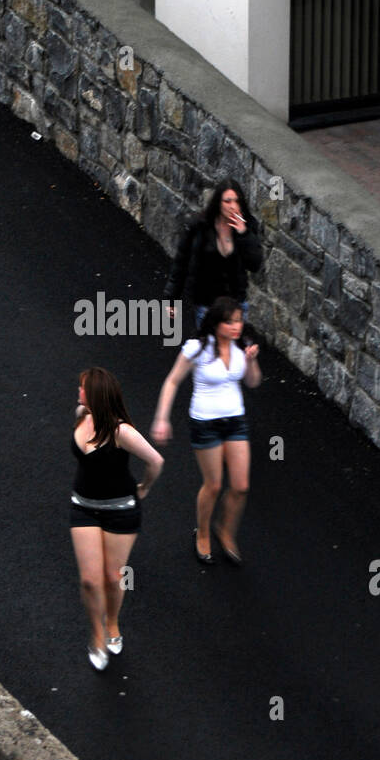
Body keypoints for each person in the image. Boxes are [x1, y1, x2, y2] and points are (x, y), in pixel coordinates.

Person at [152, 297, 261, 565]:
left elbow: (253, 382)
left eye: (239, 320)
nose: (237, 326)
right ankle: (202, 532)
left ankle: (224, 529)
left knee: (241, 486)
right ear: (215, 323)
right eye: (230, 321)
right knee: (213, 485)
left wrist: (252, 362)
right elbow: (172, 381)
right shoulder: (197, 348)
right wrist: (162, 418)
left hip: (235, 421)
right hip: (205, 423)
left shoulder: (240, 348)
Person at [71, 367, 164, 670]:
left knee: (113, 577)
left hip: (120, 510)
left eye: (83, 388)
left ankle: (112, 623)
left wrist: (144, 489)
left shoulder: (120, 431)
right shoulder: (81, 415)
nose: (79, 392)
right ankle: (96, 634)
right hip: (83, 506)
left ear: (96, 393)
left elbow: (155, 460)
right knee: (89, 580)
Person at [164, 180, 263, 332]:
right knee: (210, 352)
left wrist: (244, 234)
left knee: (234, 353)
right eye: (227, 201)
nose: (232, 206)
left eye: (236, 201)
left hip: (235, 305)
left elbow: (255, 264)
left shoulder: (247, 227)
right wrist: (171, 299)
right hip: (206, 304)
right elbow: (181, 262)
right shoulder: (200, 226)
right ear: (218, 203)